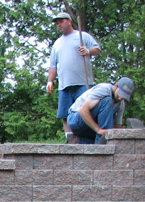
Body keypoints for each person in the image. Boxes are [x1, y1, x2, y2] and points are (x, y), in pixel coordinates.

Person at [46, 11, 101, 144]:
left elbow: (97, 49)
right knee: (65, 113)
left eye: (61, 22)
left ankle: (87, 137)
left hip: (83, 82)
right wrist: (49, 81)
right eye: (57, 23)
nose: (59, 25)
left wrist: (88, 51)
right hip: (64, 84)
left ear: (69, 21)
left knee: (85, 110)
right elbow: (53, 65)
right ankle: (70, 139)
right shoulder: (57, 44)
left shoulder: (82, 36)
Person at [66, 77, 135, 144]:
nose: (120, 98)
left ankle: (80, 140)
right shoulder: (104, 89)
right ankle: (102, 145)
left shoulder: (121, 104)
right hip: (75, 119)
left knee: (109, 125)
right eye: (120, 94)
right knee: (107, 101)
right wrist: (98, 130)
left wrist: (130, 135)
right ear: (116, 86)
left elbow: (117, 125)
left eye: (124, 97)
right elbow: (83, 111)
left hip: (89, 128)